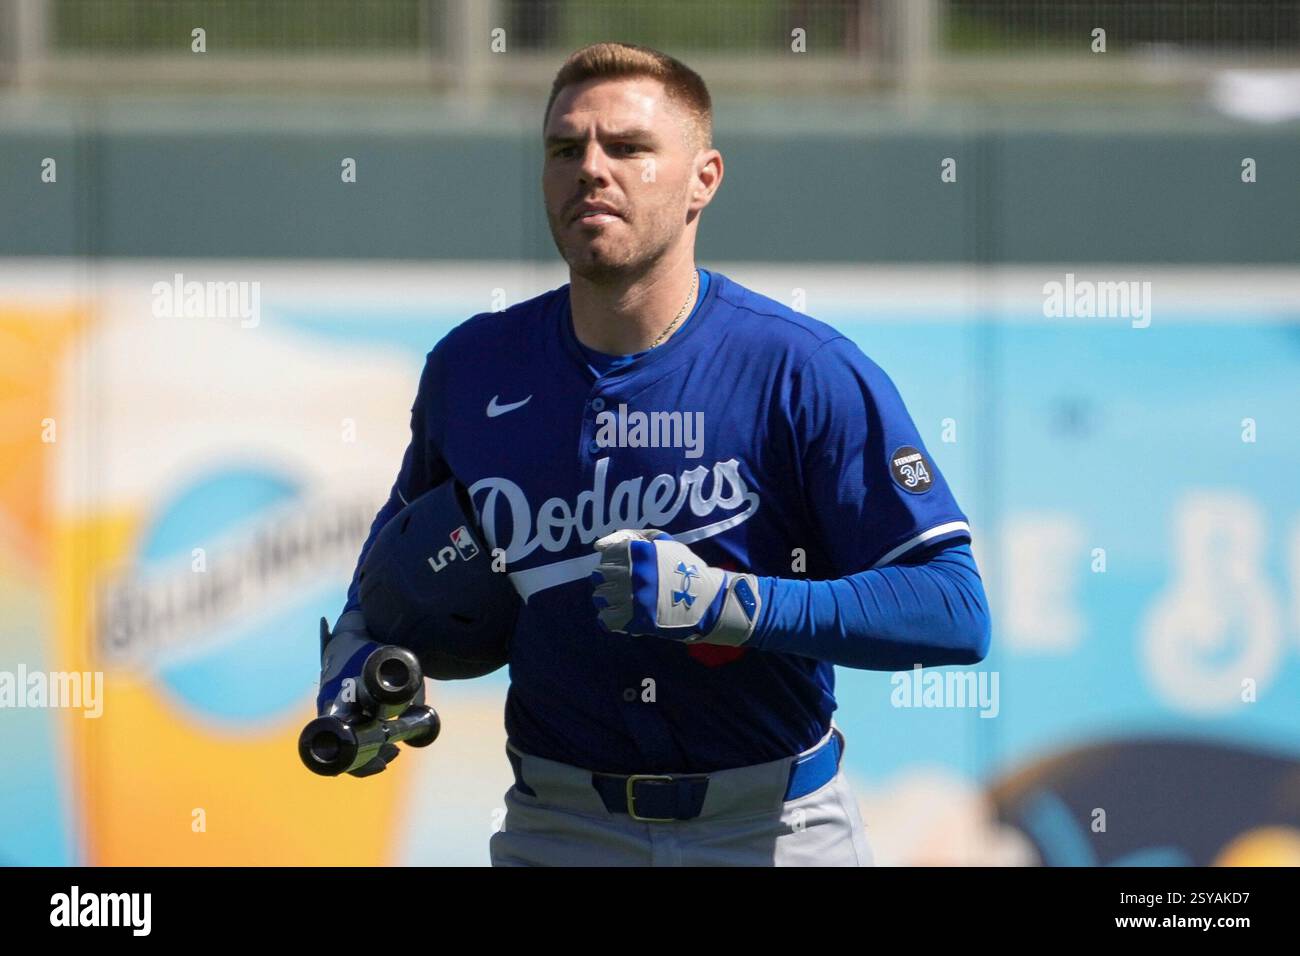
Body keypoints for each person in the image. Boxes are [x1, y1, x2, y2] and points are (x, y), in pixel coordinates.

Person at [324, 41, 991, 866]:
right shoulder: (472, 367)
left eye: (628, 148)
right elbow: (388, 575)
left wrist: (727, 604)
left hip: (774, 826)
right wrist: (352, 661)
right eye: (566, 150)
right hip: (559, 824)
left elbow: (952, 611)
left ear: (703, 179)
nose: (591, 170)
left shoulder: (802, 369)